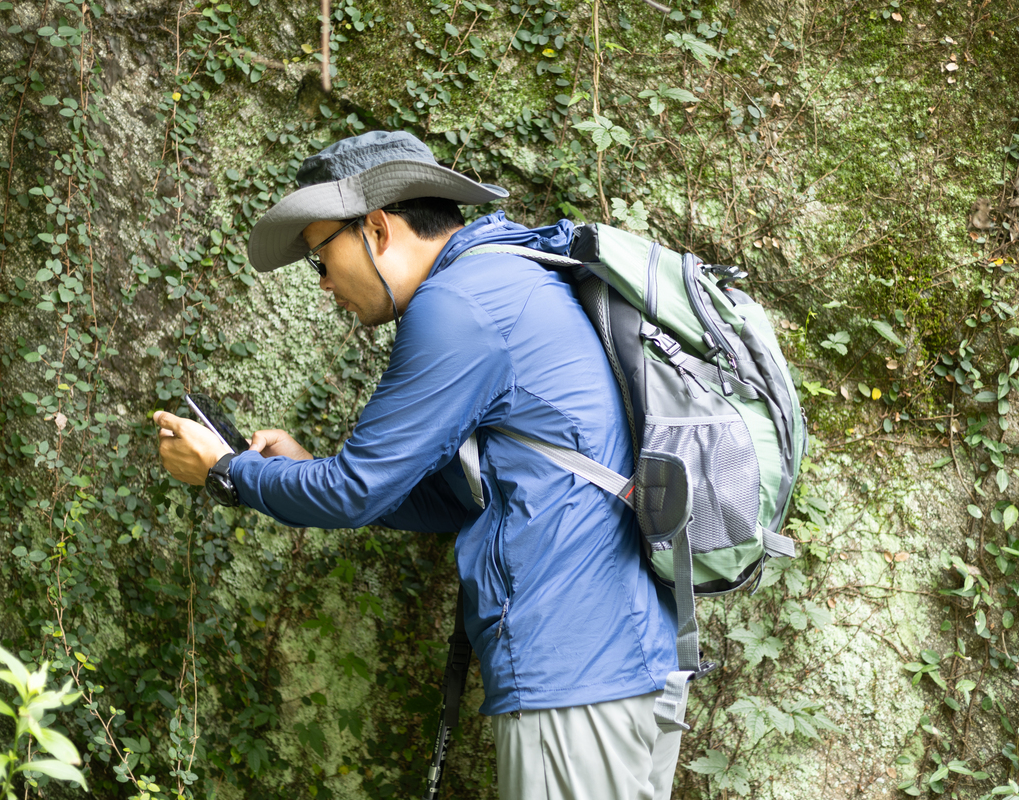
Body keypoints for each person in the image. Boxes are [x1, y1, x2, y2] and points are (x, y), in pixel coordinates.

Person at [153, 130, 681, 799]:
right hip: (624, 659)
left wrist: (226, 473)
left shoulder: (458, 303)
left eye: (321, 258)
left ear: (375, 229)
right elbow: (461, 498)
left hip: (574, 663)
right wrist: (307, 466)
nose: (323, 285)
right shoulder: (506, 277)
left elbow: (355, 493)